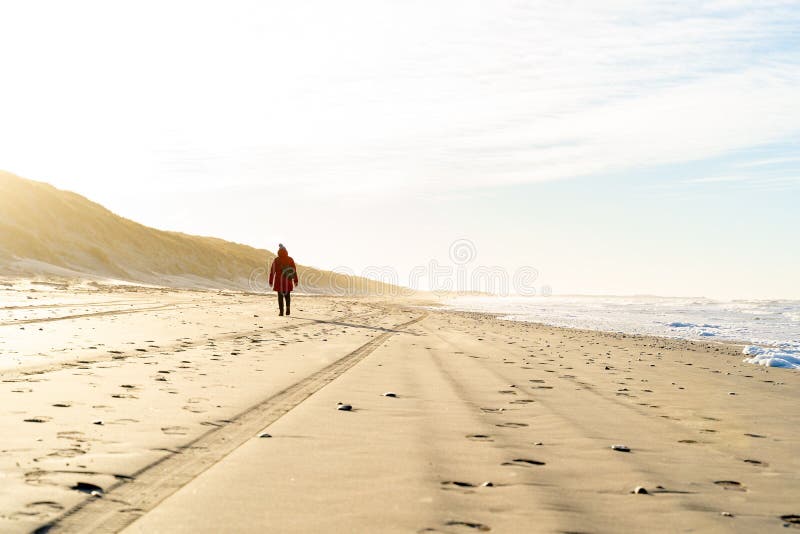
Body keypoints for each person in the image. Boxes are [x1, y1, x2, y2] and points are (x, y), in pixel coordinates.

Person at [269, 243, 298, 316]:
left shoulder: (276, 260)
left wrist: (271, 281)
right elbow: (294, 270)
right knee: (287, 295)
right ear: (286, 251)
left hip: (279, 282)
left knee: (280, 297)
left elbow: (272, 271)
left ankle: (281, 312)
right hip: (287, 281)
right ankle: (288, 308)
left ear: (278, 252)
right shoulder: (290, 259)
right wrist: (295, 280)